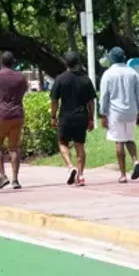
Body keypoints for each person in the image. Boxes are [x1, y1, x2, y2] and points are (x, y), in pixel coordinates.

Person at [49, 50, 97, 186]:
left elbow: (54, 100)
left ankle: (70, 167)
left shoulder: (60, 79)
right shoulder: (85, 79)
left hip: (65, 116)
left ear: (65, 63)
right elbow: (91, 102)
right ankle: (80, 175)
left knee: (63, 143)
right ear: (78, 63)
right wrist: (91, 119)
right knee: (80, 146)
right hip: (81, 116)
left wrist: (53, 116)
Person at [99, 47, 139, 182]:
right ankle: (135, 160)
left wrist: (103, 114)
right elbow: (138, 95)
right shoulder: (133, 74)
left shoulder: (108, 74)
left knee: (119, 141)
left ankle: (123, 174)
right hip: (131, 111)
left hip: (115, 112)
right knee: (129, 138)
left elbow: (104, 96)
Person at [0, 51, 29, 190]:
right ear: (13, 62)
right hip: (17, 114)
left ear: (1, 62)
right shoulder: (21, 77)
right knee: (14, 148)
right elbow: (24, 91)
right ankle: (15, 179)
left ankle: (2, 176)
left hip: (0, 115)